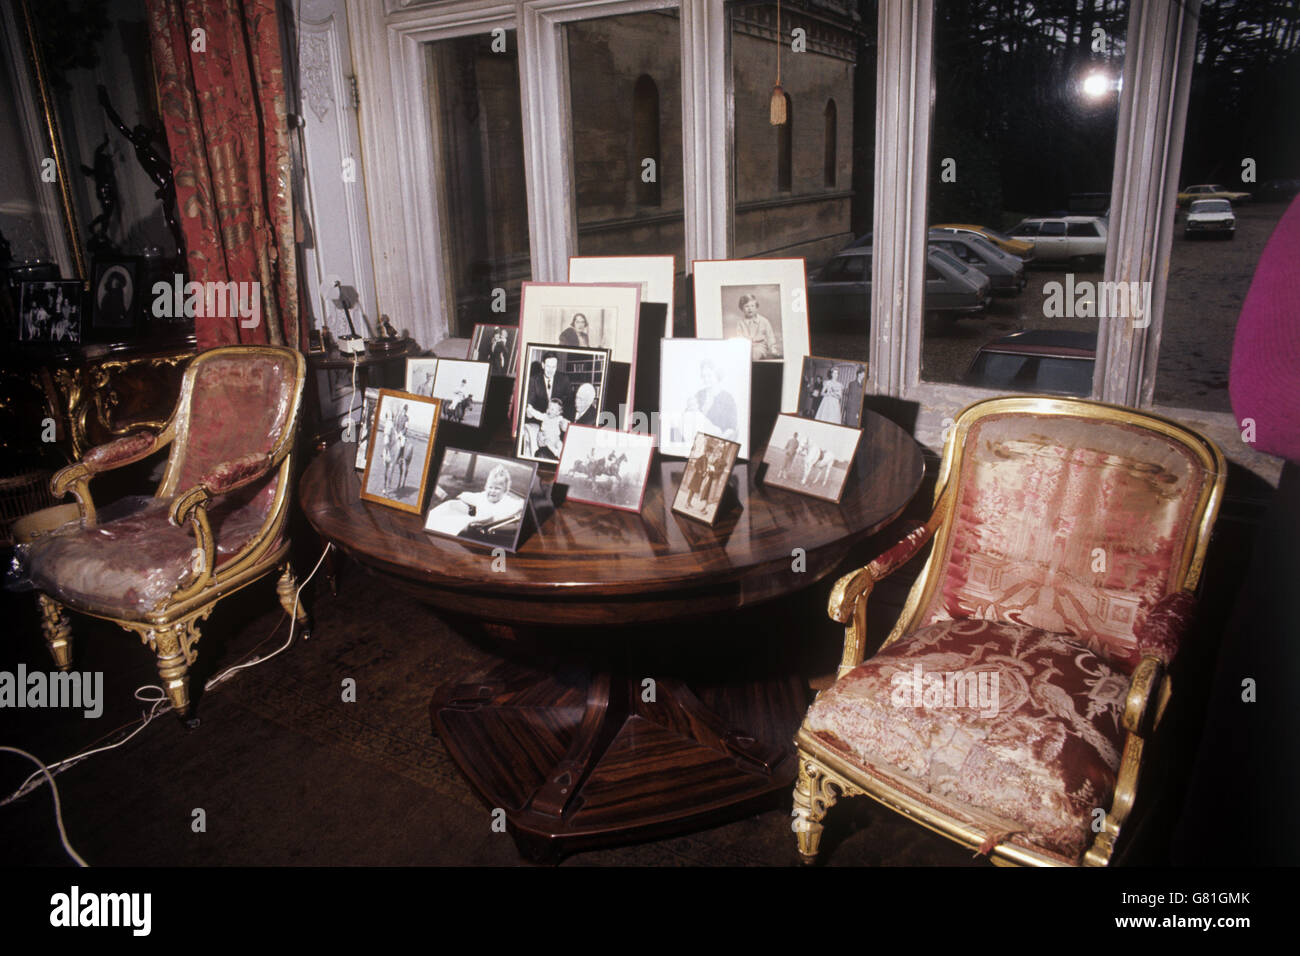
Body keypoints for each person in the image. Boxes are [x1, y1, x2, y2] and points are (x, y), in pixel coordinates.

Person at [425, 464, 522, 536]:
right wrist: (460, 496)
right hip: (473, 524)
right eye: (490, 487)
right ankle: (431, 522)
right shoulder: (483, 496)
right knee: (449, 506)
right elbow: (468, 496)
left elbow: (519, 505)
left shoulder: (506, 502)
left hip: (483, 528)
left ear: (505, 491)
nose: (492, 491)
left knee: (456, 521)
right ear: (486, 487)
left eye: (497, 488)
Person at [691, 360, 738, 442]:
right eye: (703, 376)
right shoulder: (699, 394)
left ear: (717, 375)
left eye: (709, 376)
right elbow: (690, 416)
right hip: (697, 439)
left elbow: (732, 427)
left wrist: (719, 440)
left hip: (718, 440)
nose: (706, 379)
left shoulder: (727, 398)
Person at [525, 352, 572, 423]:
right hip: (538, 421)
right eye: (548, 366)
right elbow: (530, 402)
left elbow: (569, 402)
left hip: (558, 422)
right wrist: (528, 411)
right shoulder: (533, 380)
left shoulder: (564, 379)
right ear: (543, 365)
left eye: (553, 367)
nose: (551, 370)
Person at [734, 293, 779, 360]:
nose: (750, 309)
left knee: (753, 355)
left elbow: (770, 337)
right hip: (746, 347)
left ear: (756, 307)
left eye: (752, 306)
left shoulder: (764, 321)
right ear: (742, 309)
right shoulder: (740, 323)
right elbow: (739, 338)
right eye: (746, 306)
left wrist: (773, 349)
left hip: (760, 347)